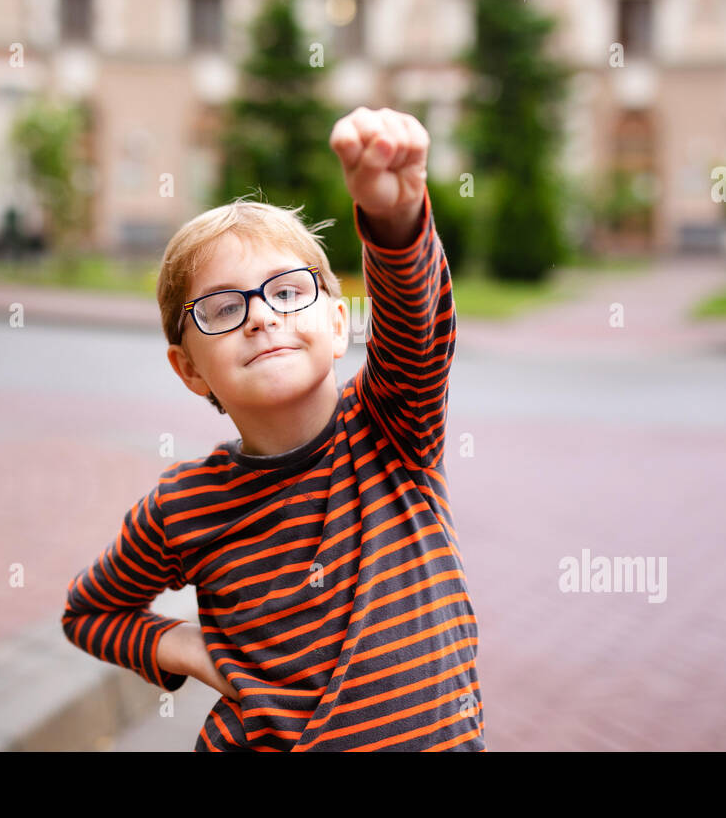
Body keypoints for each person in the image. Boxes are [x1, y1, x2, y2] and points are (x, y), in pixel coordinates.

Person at [61, 106, 484, 751]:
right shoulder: (184, 507)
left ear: (339, 323)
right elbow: (89, 612)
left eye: (287, 292)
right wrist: (188, 649)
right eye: (224, 308)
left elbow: (418, 329)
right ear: (190, 370)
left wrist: (396, 222)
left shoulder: (391, 429)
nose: (260, 316)